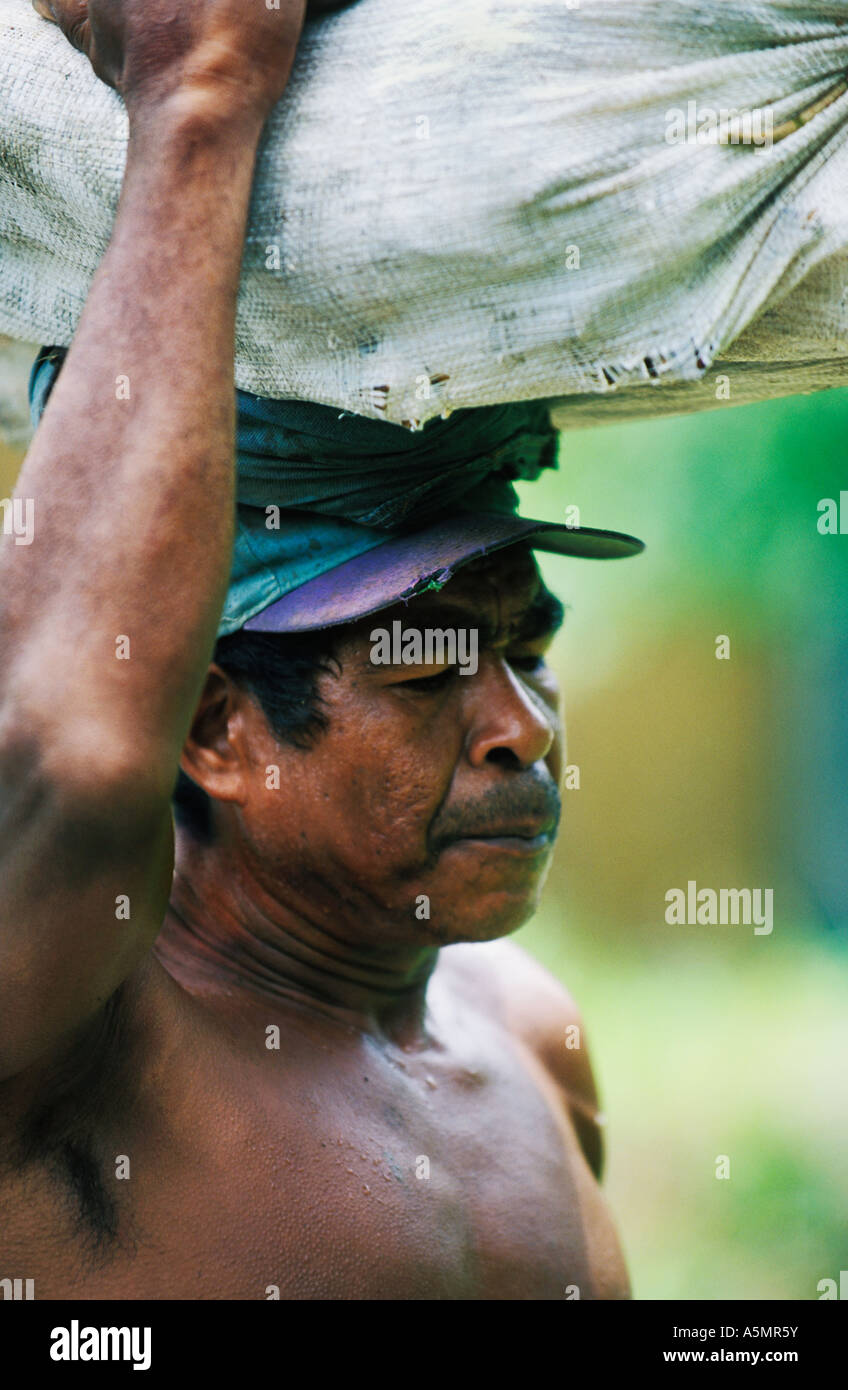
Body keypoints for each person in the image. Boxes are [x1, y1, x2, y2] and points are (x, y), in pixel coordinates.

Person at [0, 0, 642, 1299]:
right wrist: (197, 97)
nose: (522, 724)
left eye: (529, 648)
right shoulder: (78, 1043)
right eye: (424, 669)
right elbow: (59, 767)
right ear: (214, 730)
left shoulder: (534, 1036)